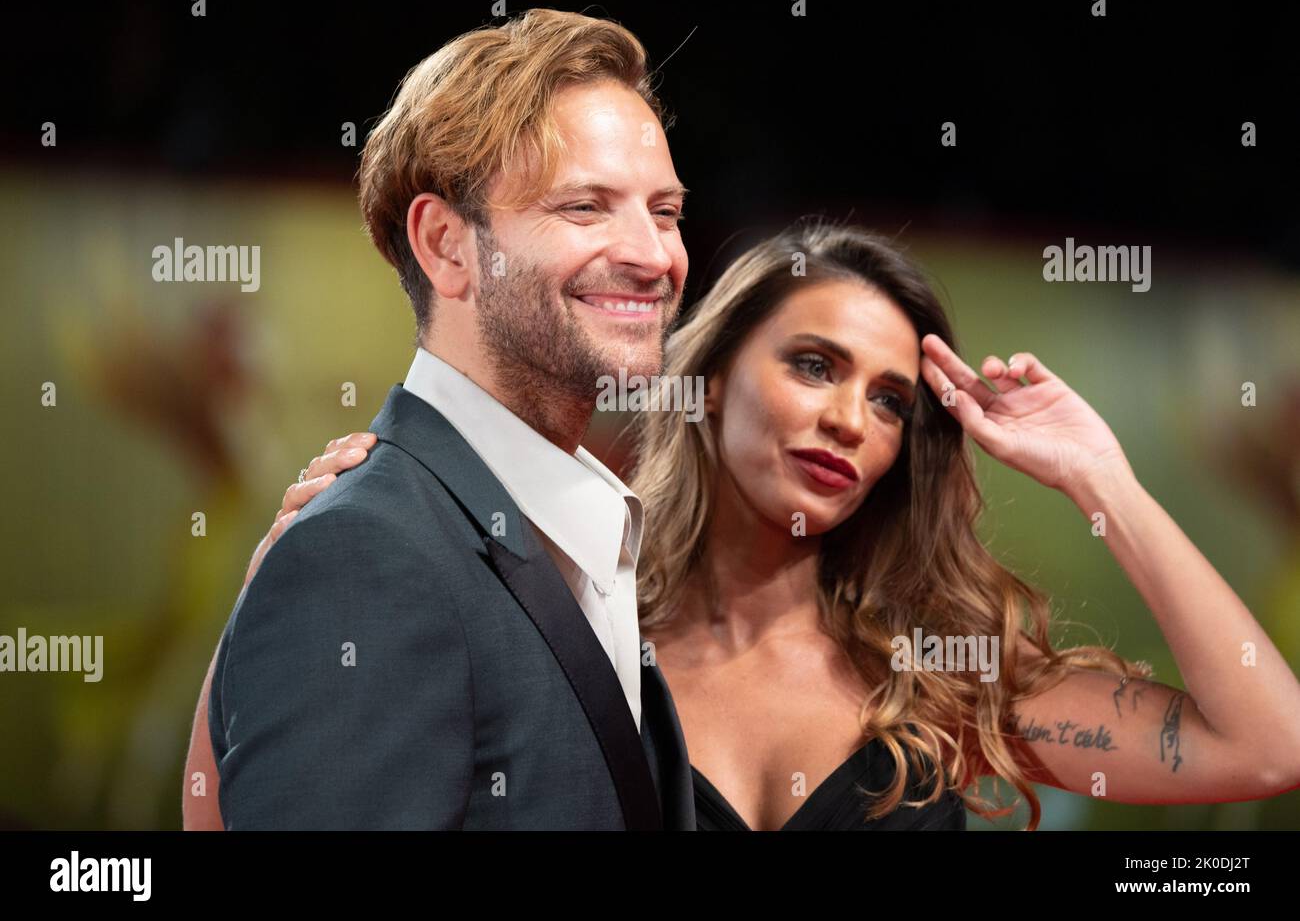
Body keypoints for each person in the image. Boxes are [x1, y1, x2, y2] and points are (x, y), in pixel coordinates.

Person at [192, 218, 1300, 831]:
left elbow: (1264, 744)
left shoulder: (939, 680)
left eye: (888, 400)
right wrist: (269, 596)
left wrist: (1102, 477)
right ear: (710, 381)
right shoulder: (554, 628)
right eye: (813, 365)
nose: (847, 419)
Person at [188, 8, 696, 829]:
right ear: (447, 245)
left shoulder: (581, 531)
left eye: (666, 211)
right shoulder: (363, 554)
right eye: (585, 207)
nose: (653, 255)